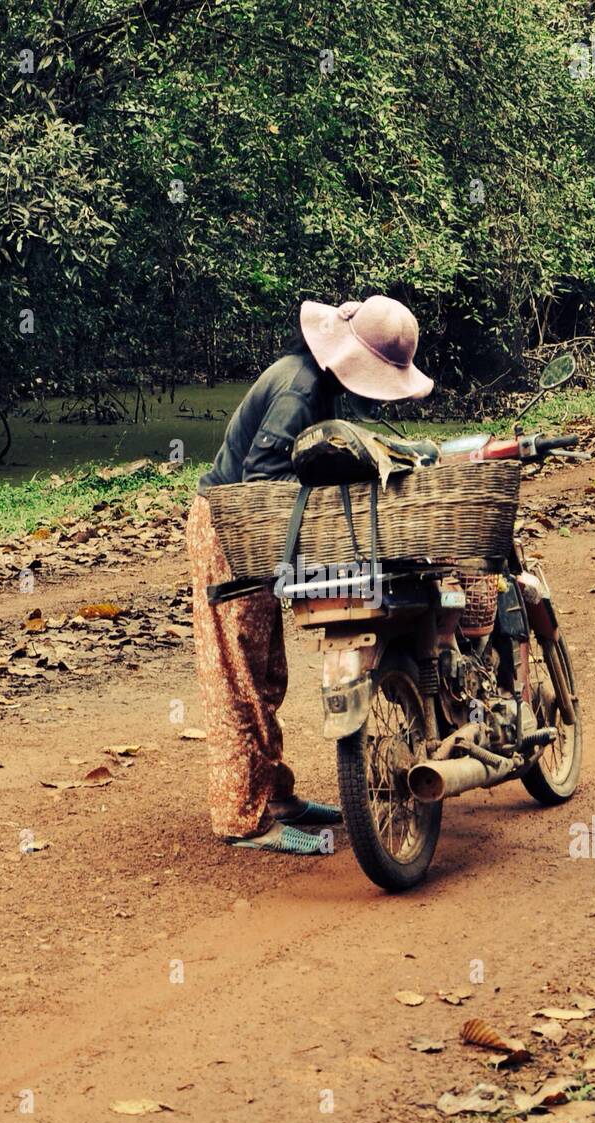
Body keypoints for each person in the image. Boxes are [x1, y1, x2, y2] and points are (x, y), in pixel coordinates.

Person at [187, 295, 434, 852]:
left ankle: (275, 795)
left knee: (267, 672)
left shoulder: (317, 385)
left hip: (258, 533)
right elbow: (264, 481)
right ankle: (243, 820)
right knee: (239, 680)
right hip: (231, 528)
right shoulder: (299, 390)